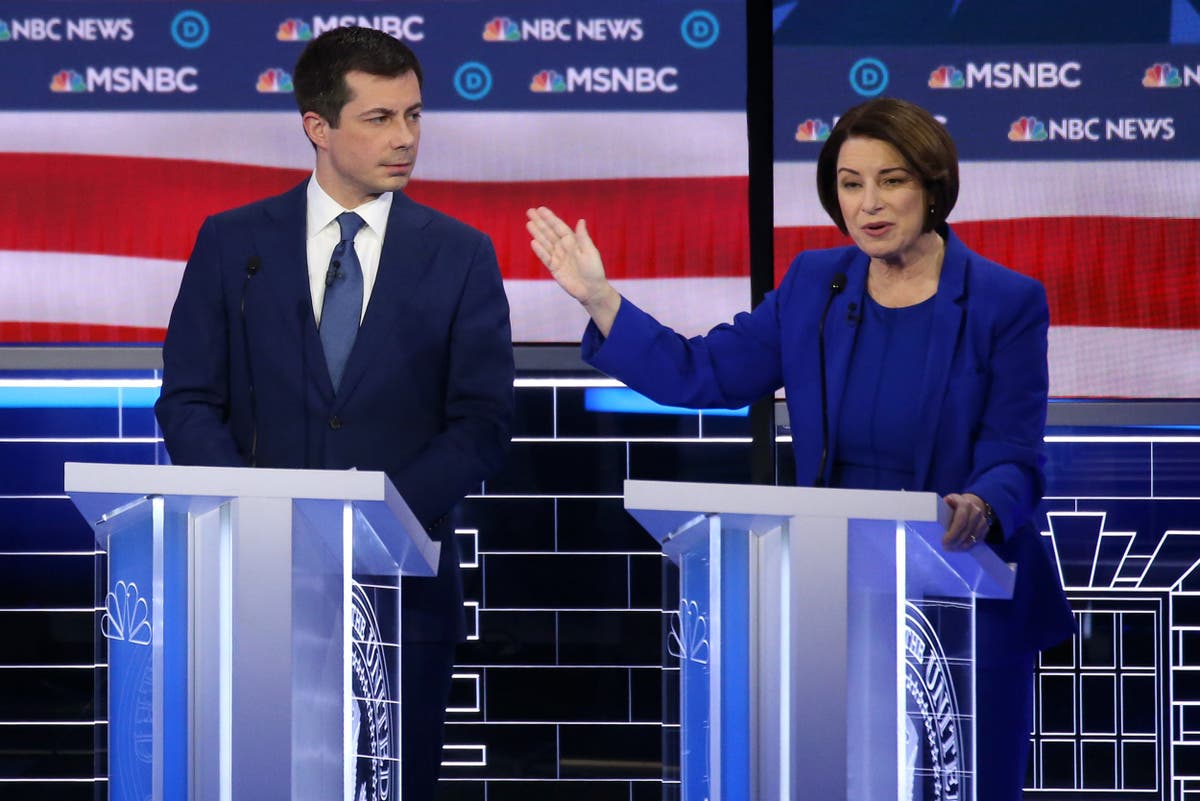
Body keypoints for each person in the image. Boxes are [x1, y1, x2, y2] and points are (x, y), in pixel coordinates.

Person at [527, 97, 1075, 800]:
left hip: (967, 587)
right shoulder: (817, 286)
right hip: (833, 589)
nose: (869, 203)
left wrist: (982, 501)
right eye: (851, 184)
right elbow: (706, 372)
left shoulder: (1005, 301)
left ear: (933, 185)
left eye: (892, 180)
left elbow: (1017, 454)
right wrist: (602, 301)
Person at [156, 26, 514, 800]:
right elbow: (188, 400)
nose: (406, 139)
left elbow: (483, 421)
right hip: (258, 582)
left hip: (403, 595)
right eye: (380, 119)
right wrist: (261, 517)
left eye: (414, 116)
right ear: (317, 127)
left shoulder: (460, 253)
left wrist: (373, 520)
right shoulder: (234, 244)